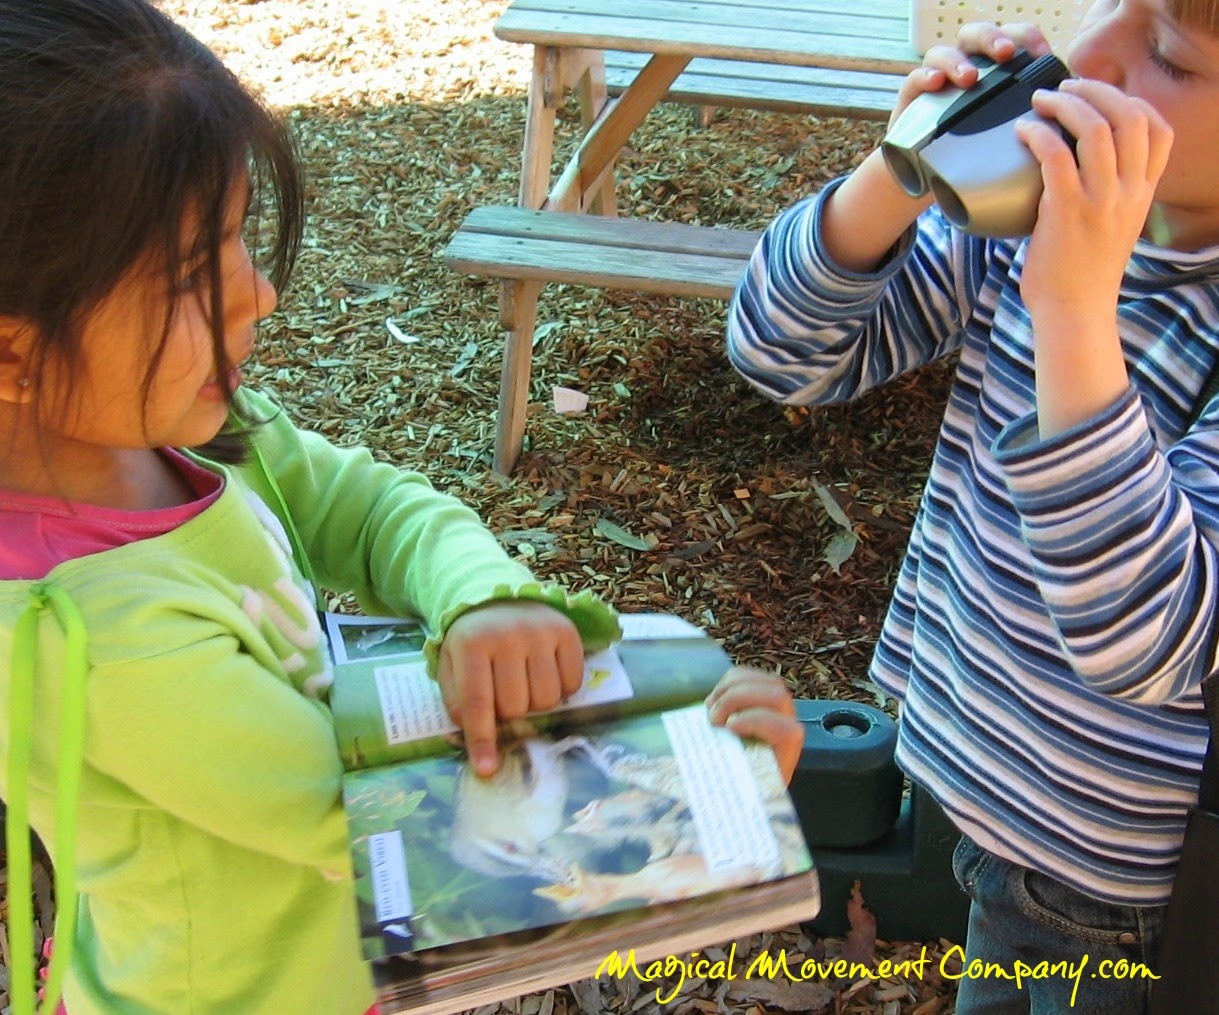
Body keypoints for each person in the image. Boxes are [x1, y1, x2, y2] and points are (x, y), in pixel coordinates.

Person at [0, 2, 806, 1014]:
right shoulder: (88, 636)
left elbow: (376, 509)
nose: (258, 294)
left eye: (240, 237)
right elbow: (393, 829)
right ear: (14, 353)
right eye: (191, 275)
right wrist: (696, 784)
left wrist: (479, 597)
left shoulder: (170, 424)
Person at [727, 1, 1219, 1011]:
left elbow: (1147, 635)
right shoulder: (1031, 221)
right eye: (1105, 2)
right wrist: (901, 168)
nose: (1092, 54)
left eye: (1169, 56)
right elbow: (781, 353)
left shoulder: (1086, 272)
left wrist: (1073, 310)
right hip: (982, 788)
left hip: (1104, 876)